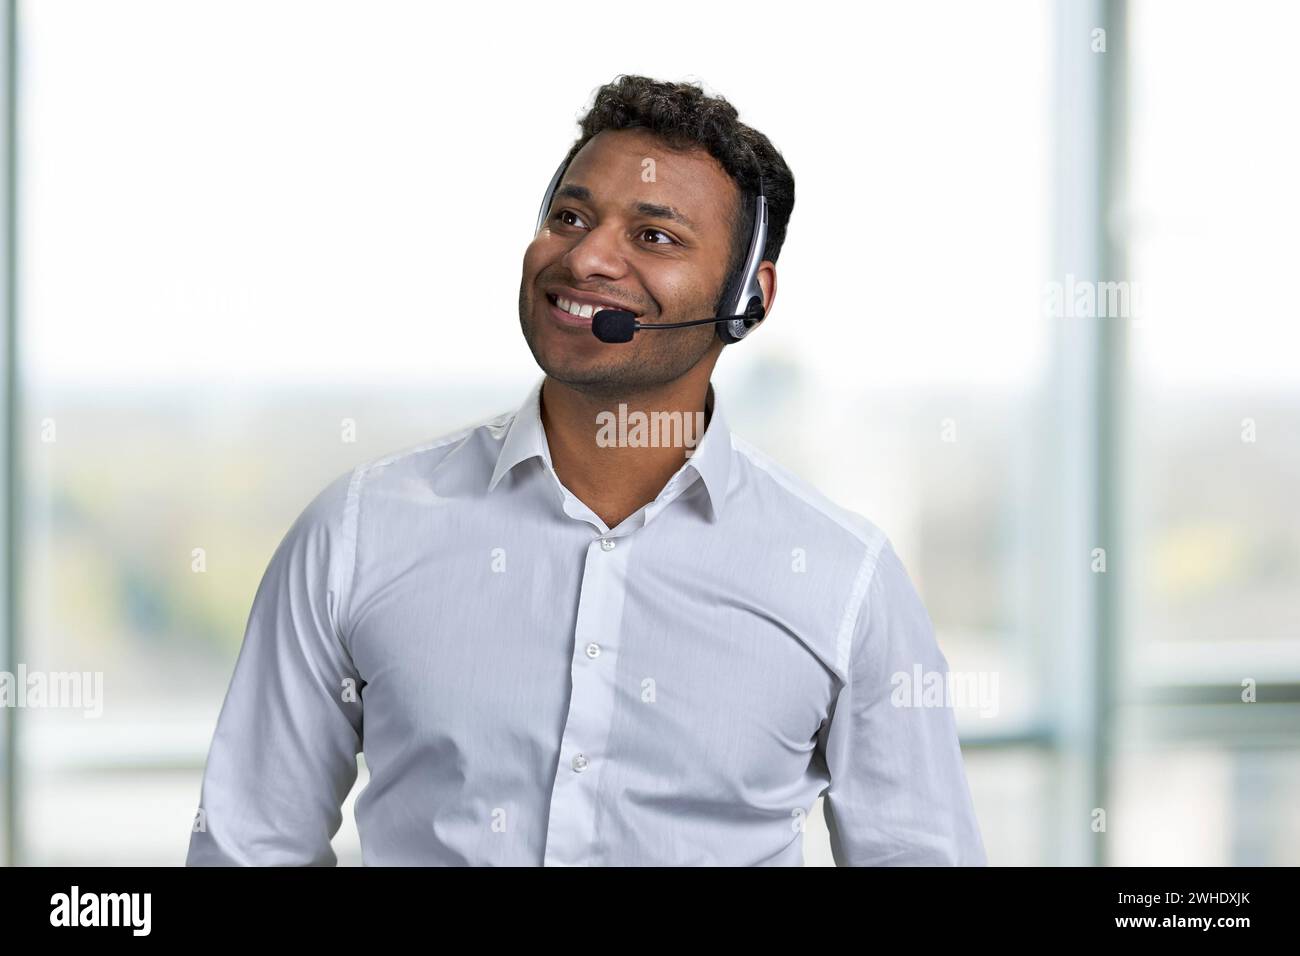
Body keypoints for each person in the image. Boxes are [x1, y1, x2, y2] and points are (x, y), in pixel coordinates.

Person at [186, 74, 987, 866]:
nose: (588, 257)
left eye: (654, 236)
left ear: (749, 295)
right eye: (569, 217)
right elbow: (250, 848)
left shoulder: (845, 580)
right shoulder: (358, 531)